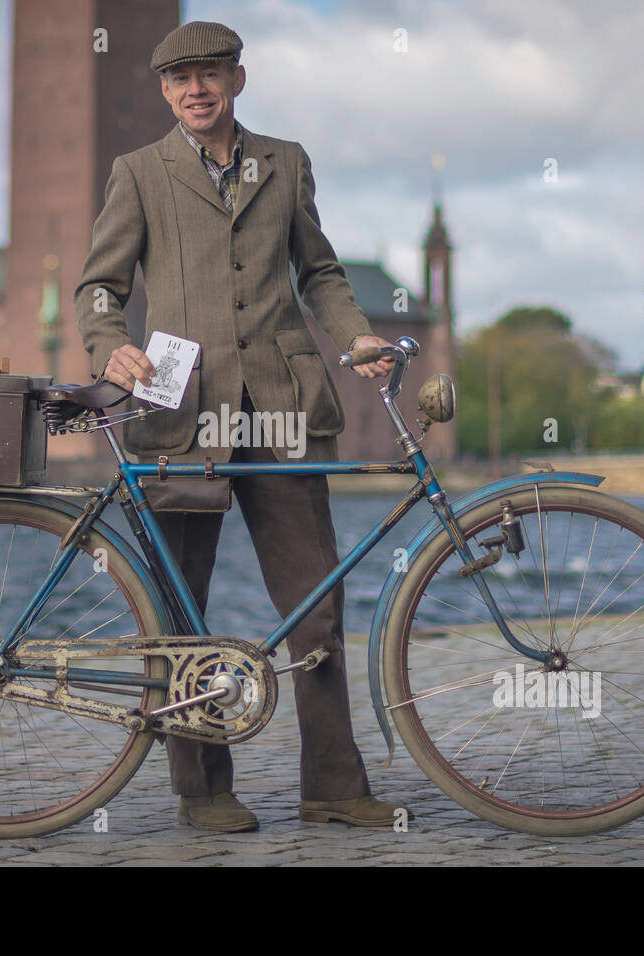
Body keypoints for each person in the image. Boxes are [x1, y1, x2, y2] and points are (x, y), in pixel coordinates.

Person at [75, 20, 409, 832]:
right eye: (180, 78)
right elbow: (99, 287)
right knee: (182, 607)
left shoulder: (285, 163)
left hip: (285, 409)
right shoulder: (138, 173)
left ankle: (333, 785)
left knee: (316, 606)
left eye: (210, 74)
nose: (196, 89)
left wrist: (357, 337)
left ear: (237, 79)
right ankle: (202, 790)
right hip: (181, 413)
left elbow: (319, 271)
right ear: (165, 92)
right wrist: (109, 344)